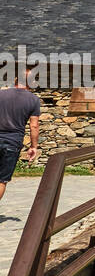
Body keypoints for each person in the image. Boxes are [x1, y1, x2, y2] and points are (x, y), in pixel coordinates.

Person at [0, 69, 41, 216]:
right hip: (12, 142)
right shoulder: (33, 100)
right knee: (1, 180)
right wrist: (34, 146)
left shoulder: (1, 94)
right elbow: (34, 125)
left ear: (15, 80)